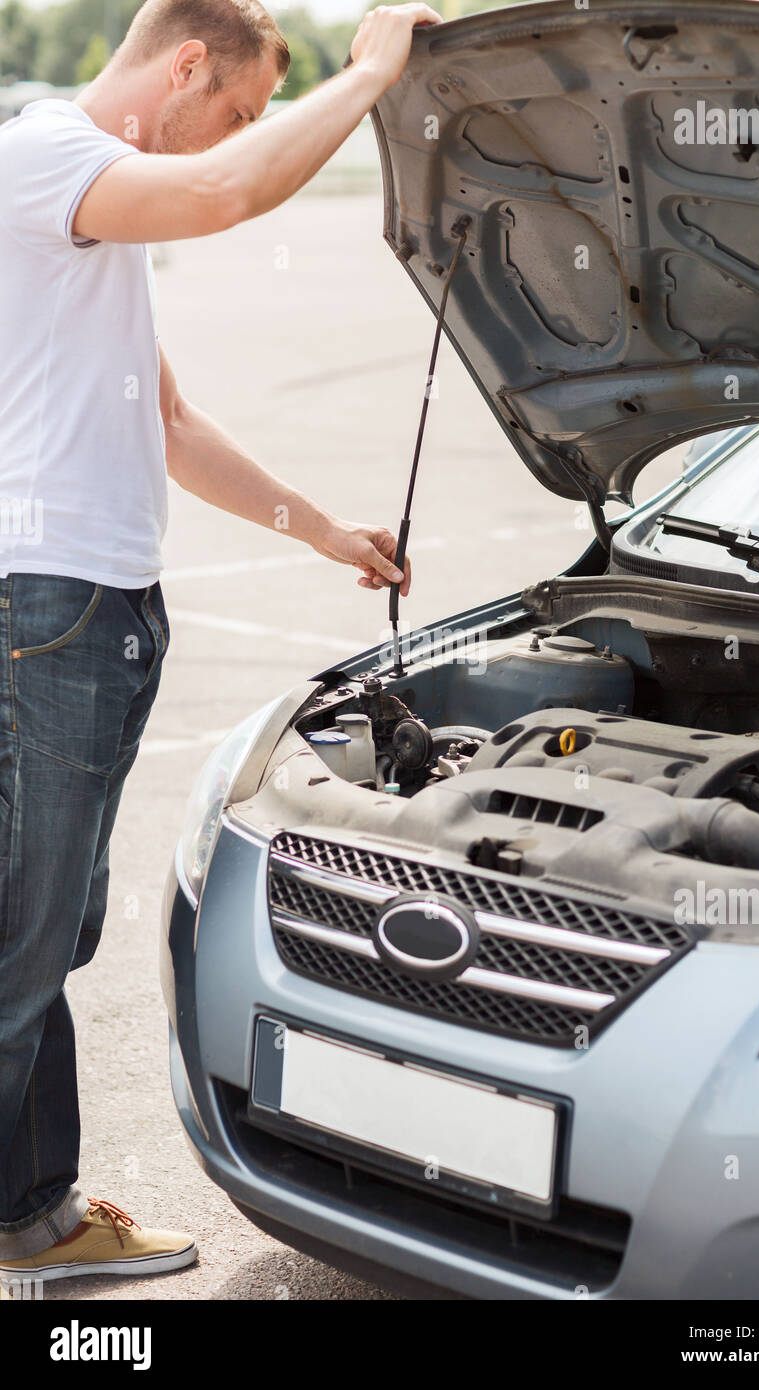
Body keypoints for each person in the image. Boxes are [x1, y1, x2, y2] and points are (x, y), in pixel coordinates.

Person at [0, 0, 441, 1284]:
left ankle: (31, 1216)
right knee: (18, 954)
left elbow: (172, 418)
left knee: (46, 938)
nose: (240, 132)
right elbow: (231, 192)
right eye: (239, 106)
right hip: (48, 613)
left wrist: (321, 532)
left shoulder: (86, 208)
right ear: (185, 66)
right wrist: (368, 77)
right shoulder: (46, 158)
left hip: (93, 614)